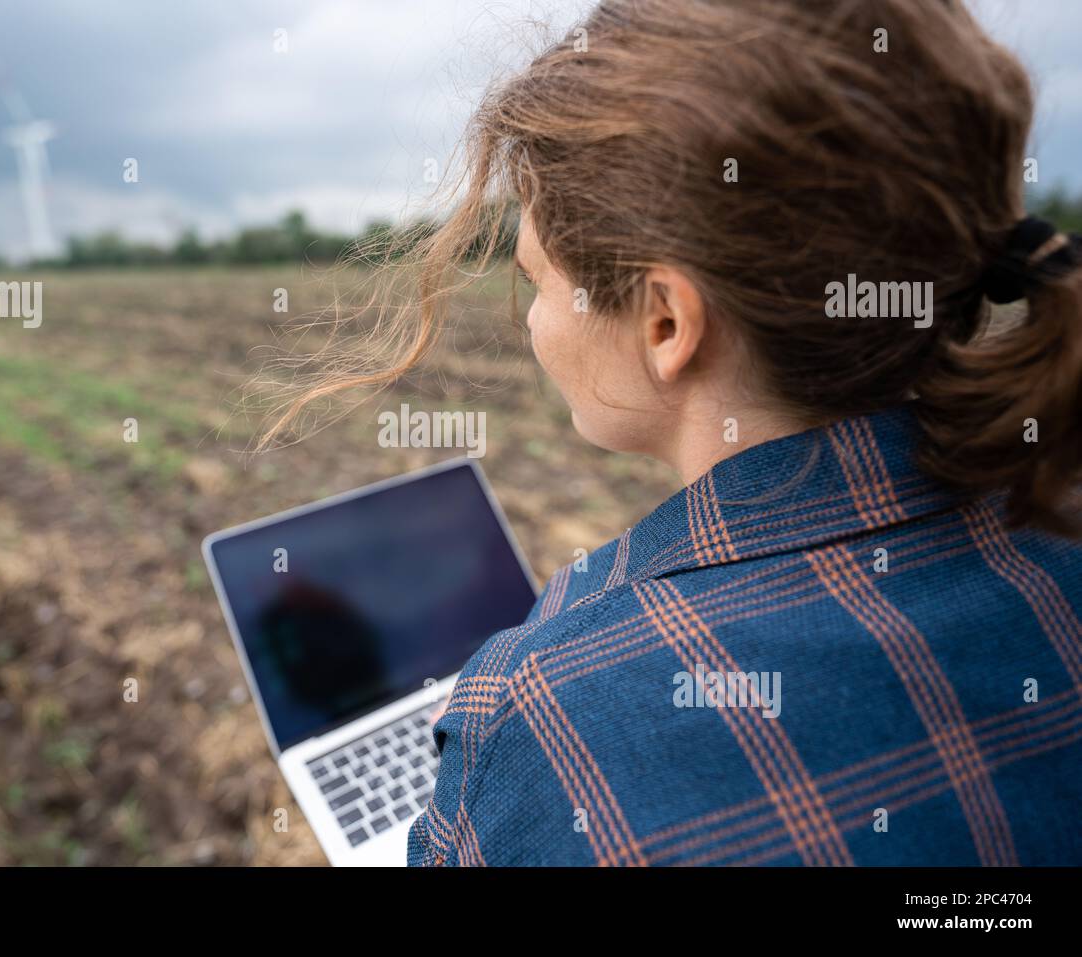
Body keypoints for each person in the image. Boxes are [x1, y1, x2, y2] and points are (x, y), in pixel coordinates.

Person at [272, 0, 1082, 865]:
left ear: (665, 322)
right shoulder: (1057, 532)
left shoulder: (540, 713)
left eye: (537, 280)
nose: (533, 323)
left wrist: (502, 736)